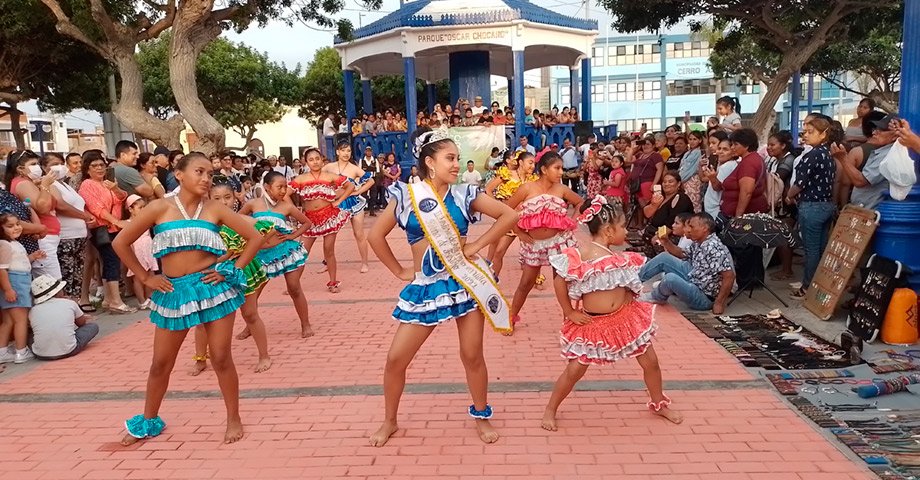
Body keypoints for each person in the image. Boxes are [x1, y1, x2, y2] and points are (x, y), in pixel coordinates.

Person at [366, 127, 518, 447]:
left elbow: (509, 215)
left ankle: (481, 414)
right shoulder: (405, 196)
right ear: (429, 162)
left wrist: (476, 246)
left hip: (463, 280)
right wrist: (399, 271)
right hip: (426, 288)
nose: (457, 165)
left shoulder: (466, 194)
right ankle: (390, 421)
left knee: (471, 354)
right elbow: (374, 237)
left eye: (458, 159)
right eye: (450, 158)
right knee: (396, 359)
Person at [112, 151, 261, 445]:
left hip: (212, 288)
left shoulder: (214, 209)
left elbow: (255, 236)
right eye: (199, 172)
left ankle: (233, 417)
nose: (206, 179)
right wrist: (145, 277)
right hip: (173, 291)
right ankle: (148, 420)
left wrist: (231, 269)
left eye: (209, 173)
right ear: (179, 174)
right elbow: (120, 242)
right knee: (160, 363)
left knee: (220, 357)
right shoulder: (159, 208)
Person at [542, 196, 682, 430]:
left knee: (651, 362)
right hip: (593, 322)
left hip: (627, 319)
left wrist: (629, 297)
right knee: (575, 369)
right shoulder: (582, 253)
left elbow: (626, 284)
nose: (626, 231)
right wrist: (568, 311)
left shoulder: (620, 258)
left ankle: (659, 403)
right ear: (608, 231)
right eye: (623, 227)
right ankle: (550, 408)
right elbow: (559, 281)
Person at [192, 183, 275, 375]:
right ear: (208, 199)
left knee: (250, 314)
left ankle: (264, 355)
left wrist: (245, 251)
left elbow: (269, 232)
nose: (223, 202)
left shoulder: (244, 220)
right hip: (211, 273)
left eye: (228, 197)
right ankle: (200, 359)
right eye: (217, 198)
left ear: (235, 198)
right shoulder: (203, 223)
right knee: (204, 318)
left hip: (242, 271)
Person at [505, 151, 582, 333]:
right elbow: (506, 211)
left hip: (560, 243)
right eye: (557, 168)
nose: (561, 172)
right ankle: (510, 318)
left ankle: (568, 320)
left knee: (561, 282)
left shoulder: (562, 189)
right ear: (544, 169)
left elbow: (580, 203)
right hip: (534, 245)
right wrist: (519, 232)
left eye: (562, 168)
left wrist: (572, 221)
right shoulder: (527, 188)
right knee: (525, 283)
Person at [240, 172, 313, 336]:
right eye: (279, 187)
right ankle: (250, 326)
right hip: (259, 255)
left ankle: (305, 324)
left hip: (285, 252)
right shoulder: (253, 204)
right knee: (252, 294)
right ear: (267, 187)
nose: (283, 190)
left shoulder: (286, 206)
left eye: (285, 187)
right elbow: (237, 221)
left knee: (294, 288)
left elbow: (307, 222)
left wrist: (292, 236)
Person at [639, 213, 736, 314]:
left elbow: (729, 276)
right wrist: (666, 241)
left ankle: (657, 297)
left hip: (704, 296)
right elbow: (681, 253)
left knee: (670, 278)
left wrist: (719, 303)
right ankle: (634, 282)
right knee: (664, 258)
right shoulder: (700, 241)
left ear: (704, 228)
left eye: (692, 227)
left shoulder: (714, 247)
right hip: (694, 278)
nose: (689, 230)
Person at [78, 150, 136, 314]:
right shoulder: (87, 185)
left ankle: (109, 299)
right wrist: (116, 221)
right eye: (94, 166)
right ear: (87, 169)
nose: (99, 168)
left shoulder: (108, 182)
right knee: (111, 261)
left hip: (113, 228)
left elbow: (121, 198)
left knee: (111, 261)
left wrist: (116, 189)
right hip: (102, 228)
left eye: (101, 165)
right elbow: (97, 208)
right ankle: (116, 301)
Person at [786, 116, 838, 299]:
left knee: (811, 250)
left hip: (812, 206)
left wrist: (789, 195)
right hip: (826, 205)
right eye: (804, 132)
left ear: (824, 134)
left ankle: (807, 287)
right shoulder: (827, 154)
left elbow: (800, 183)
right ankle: (819, 286)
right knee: (820, 249)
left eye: (810, 132)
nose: (805, 136)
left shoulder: (813, 155)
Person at [290, 148, 354, 292]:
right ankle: (293, 285)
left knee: (328, 250)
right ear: (305, 162)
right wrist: (294, 211)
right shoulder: (300, 179)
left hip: (329, 216)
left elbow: (350, 185)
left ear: (322, 159)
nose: (315, 162)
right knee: (301, 253)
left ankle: (333, 282)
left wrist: (339, 200)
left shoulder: (329, 176)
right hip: (309, 220)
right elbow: (286, 194)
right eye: (311, 159)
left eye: (317, 158)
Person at [42, 153, 93, 304]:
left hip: (79, 236)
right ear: (45, 168)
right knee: (67, 275)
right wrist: (84, 216)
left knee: (77, 275)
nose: (59, 166)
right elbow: (61, 205)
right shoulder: (49, 184)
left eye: (61, 163)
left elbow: (77, 204)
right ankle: (68, 308)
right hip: (66, 236)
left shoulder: (64, 184)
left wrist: (87, 217)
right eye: (54, 163)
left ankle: (75, 307)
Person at [5, 149, 61, 278]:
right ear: (20, 169)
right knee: (53, 282)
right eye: (33, 164)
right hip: (43, 239)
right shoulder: (22, 183)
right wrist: (45, 185)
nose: (37, 167)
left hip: (49, 236)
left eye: (38, 163)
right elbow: (43, 207)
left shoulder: (28, 182)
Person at [484, 151, 537, 277]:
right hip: (509, 220)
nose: (533, 166)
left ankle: (535, 278)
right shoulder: (507, 174)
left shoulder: (534, 179)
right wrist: (498, 208)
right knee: (499, 250)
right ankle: (493, 278)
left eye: (534, 163)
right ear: (521, 162)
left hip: (528, 221)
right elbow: (488, 189)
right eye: (530, 163)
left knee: (535, 252)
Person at [322, 141, 373, 273]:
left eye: (349, 151)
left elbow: (371, 181)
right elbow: (319, 179)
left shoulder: (354, 168)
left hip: (354, 203)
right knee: (330, 234)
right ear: (338, 151)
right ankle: (327, 262)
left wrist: (358, 191)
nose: (346, 153)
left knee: (359, 233)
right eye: (343, 150)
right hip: (335, 202)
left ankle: (365, 263)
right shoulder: (329, 167)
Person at [0, 214, 45, 364]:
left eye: (17, 224)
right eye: (10, 226)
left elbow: (19, 262)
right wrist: (8, 289)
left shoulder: (14, 244)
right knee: (21, 319)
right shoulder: (5, 245)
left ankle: (2, 351)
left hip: (16, 281)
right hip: (16, 282)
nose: (16, 228)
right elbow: (2, 269)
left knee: (8, 320)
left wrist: (33, 257)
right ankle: (21, 351)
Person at [833, 114, 898, 210]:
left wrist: (843, 159)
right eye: (875, 129)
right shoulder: (882, 152)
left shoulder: (887, 154)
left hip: (870, 213)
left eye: (881, 130)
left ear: (894, 136)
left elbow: (860, 181)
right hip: (865, 210)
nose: (874, 132)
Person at [28, 275, 99, 361]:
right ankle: (65, 341)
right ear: (57, 292)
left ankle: (41, 348)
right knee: (93, 326)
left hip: (41, 354)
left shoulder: (33, 310)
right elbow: (82, 323)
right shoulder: (69, 303)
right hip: (70, 350)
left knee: (30, 334)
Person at [718, 128, 769, 220]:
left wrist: (738, 217)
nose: (732, 147)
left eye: (736, 144)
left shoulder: (749, 163)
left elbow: (746, 192)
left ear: (746, 146)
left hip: (745, 216)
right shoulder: (753, 159)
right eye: (732, 144)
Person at [641, 171, 694, 246]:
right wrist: (654, 205)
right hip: (653, 231)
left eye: (670, 182)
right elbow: (647, 214)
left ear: (678, 184)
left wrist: (658, 236)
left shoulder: (681, 198)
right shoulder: (660, 196)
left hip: (672, 236)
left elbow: (671, 222)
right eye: (664, 182)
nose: (666, 184)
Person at [125, 195, 158, 309]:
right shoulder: (128, 223)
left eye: (145, 207)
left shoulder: (146, 221)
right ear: (131, 209)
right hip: (137, 249)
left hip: (148, 248)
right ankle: (141, 300)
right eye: (140, 208)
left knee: (150, 272)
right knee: (137, 276)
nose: (143, 210)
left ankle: (150, 296)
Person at [628, 139, 665, 212]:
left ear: (653, 145)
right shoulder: (640, 155)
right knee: (641, 206)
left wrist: (654, 183)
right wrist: (632, 149)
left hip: (648, 183)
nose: (645, 146)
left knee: (648, 205)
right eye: (644, 144)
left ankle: (650, 221)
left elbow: (659, 170)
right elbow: (628, 160)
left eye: (648, 144)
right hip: (637, 184)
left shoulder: (656, 155)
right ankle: (644, 222)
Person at [679, 131, 705, 212]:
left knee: (694, 204)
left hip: (693, 180)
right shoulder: (687, 153)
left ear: (700, 140)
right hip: (683, 180)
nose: (692, 141)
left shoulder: (700, 152)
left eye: (695, 139)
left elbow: (694, 168)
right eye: (690, 139)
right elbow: (681, 167)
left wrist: (681, 179)